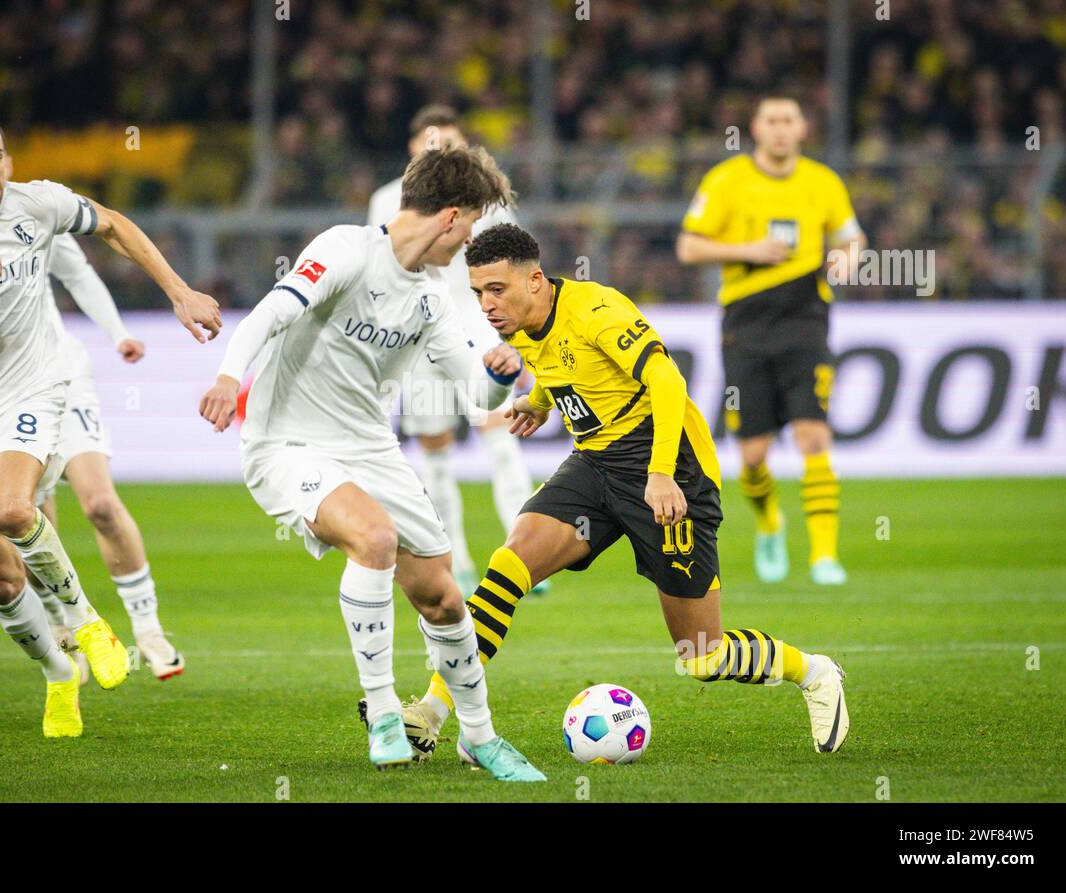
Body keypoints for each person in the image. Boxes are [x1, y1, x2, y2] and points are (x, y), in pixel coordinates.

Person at [400, 222, 849, 759]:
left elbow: (667, 380)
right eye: (477, 292)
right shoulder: (518, 326)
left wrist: (660, 473)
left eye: (496, 290)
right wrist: (538, 403)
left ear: (536, 280)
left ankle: (815, 672)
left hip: (669, 467)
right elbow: (562, 367)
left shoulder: (596, 310)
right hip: (594, 465)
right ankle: (433, 711)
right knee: (507, 568)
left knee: (701, 656)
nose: (486, 304)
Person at [199, 146, 545, 780]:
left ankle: (480, 737)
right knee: (375, 538)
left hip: (370, 449)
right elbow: (271, 315)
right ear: (450, 216)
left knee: (442, 598)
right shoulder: (345, 250)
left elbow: (474, 389)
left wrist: (500, 376)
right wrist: (227, 377)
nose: (471, 239)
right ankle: (385, 713)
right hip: (288, 443)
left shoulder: (433, 296)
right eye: (471, 223)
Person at [0, 106, 220, 737]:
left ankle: (91, 623)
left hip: (30, 385)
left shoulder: (37, 204)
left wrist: (178, 290)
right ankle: (58, 672)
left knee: (12, 510)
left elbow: (115, 226)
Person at [677, 95, 867, 585]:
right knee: (755, 453)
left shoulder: (823, 182)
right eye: (771, 121)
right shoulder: (726, 181)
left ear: (803, 128)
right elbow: (688, 245)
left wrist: (847, 258)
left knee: (813, 436)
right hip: (746, 322)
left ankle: (825, 556)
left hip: (806, 317)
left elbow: (852, 237)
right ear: (756, 128)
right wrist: (748, 249)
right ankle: (770, 524)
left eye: (789, 120)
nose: (780, 129)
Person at [366, 105, 540, 597]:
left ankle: (523, 551)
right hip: (418, 340)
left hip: (478, 327)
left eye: (450, 145)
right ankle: (457, 558)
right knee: (436, 454)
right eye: (431, 144)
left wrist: (516, 339)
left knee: (500, 435)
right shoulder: (386, 201)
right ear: (413, 148)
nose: (440, 152)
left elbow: (513, 270)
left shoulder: (489, 202)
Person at [32, 232, 184, 683]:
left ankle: (149, 630)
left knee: (99, 503)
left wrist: (118, 334)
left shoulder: (36, 209)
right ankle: (64, 627)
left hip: (62, 371)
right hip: (3, 387)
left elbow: (77, 273)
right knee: (28, 515)